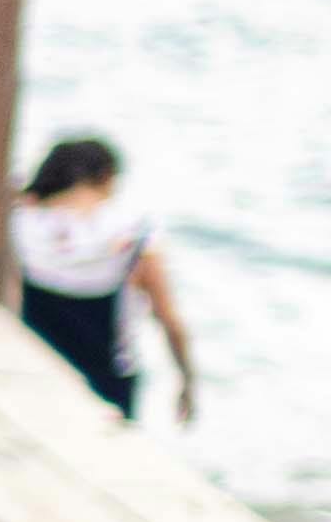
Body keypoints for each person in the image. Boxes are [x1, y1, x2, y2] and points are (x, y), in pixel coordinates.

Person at [11, 135, 194, 425]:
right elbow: (168, 320)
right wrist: (187, 382)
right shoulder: (134, 236)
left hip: (30, 370)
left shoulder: (19, 222)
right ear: (106, 177)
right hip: (105, 383)